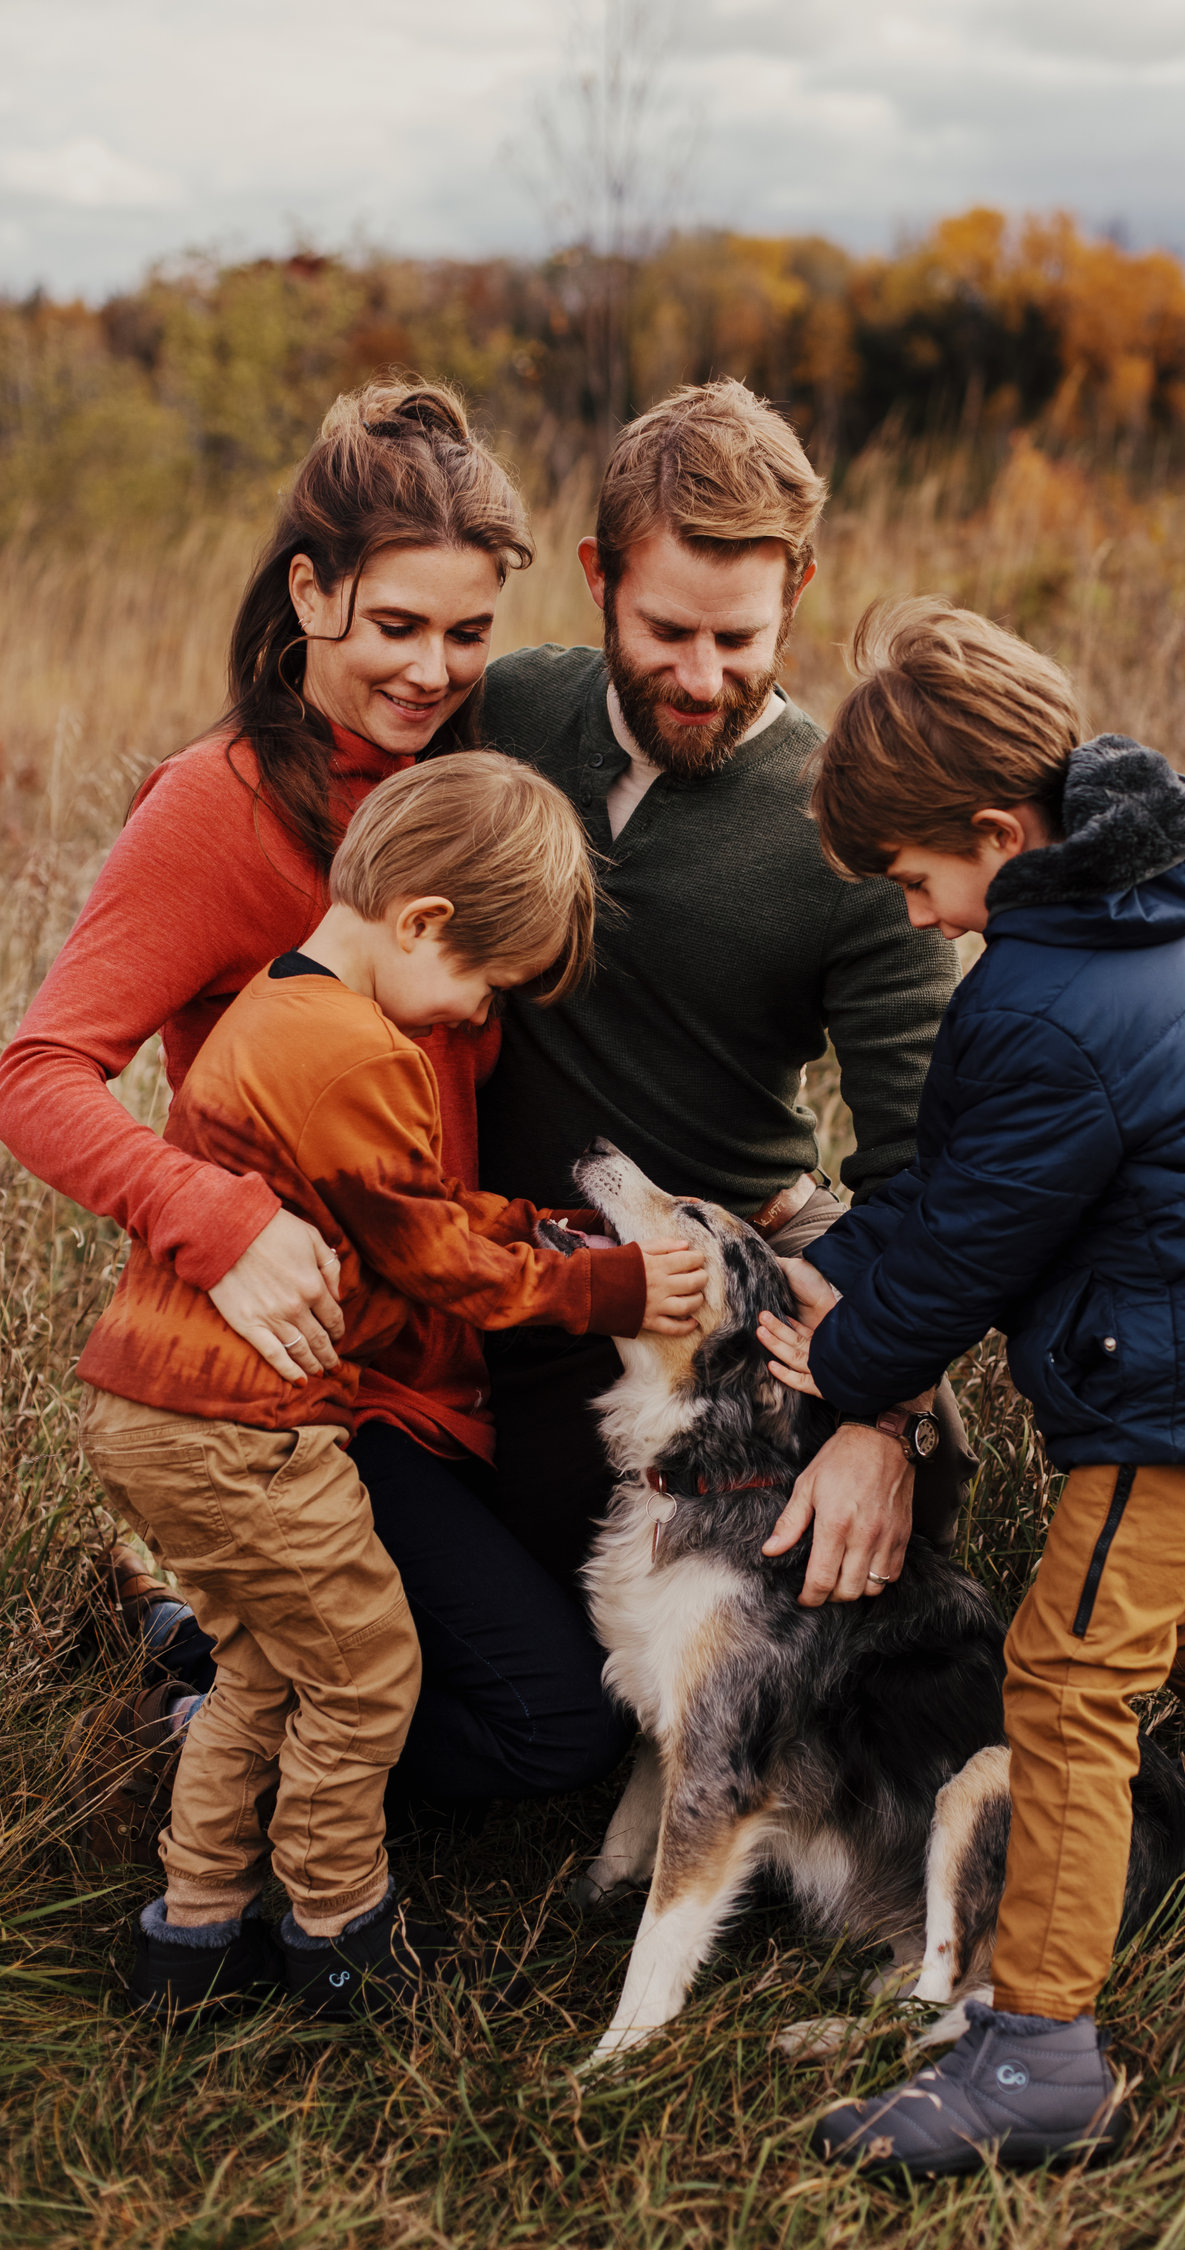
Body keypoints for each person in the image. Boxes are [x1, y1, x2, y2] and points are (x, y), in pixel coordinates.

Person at [756, 599, 1185, 2176]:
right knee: (1141, 1587)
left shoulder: (1043, 999)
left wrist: (841, 1358)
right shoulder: (1103, 921)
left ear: (996, 831)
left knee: (1073, 1669)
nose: (917, 918)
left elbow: (963, 1255)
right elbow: (962, 1186)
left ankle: (1038, 2054)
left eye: (915, 881)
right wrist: (851, 1250)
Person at [0, 378, 638, 1850]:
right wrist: (215, 1219)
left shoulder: (468, 796)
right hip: (303, 1396)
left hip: (460, 1351)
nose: (431, 669)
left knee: (597, 1662)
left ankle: (223, 1645)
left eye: (466, 632)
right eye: (394, 624)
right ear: (310, 590)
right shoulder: (215, 811)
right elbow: (37, 1074)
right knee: (552, 1721)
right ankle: (222, 1703)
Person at [76, 755, 706, 2018]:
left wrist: (544, 1228)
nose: (471, 1019)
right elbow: (434, 1262)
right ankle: (341, 1940)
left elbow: (414, 1210)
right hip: (247, 1432)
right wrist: (611, 1289)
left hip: (167, 1416)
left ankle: (186, 1942)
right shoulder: (353, 1054)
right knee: (365, 1677)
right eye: (480, 986)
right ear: (422, 923)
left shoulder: (283, 1007)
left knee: (261, 1670)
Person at [479, 378, 971, 1603]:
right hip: (517, 1266)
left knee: (925, 1460)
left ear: (795, 590)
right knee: (540, 1674)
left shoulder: (852, 838)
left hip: (720, 1271)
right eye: (665, 631)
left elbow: (925, 1170)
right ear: (599, 575)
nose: (701, 678)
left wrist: (888, 1416)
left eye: (739, 638)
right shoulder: (500, 713)